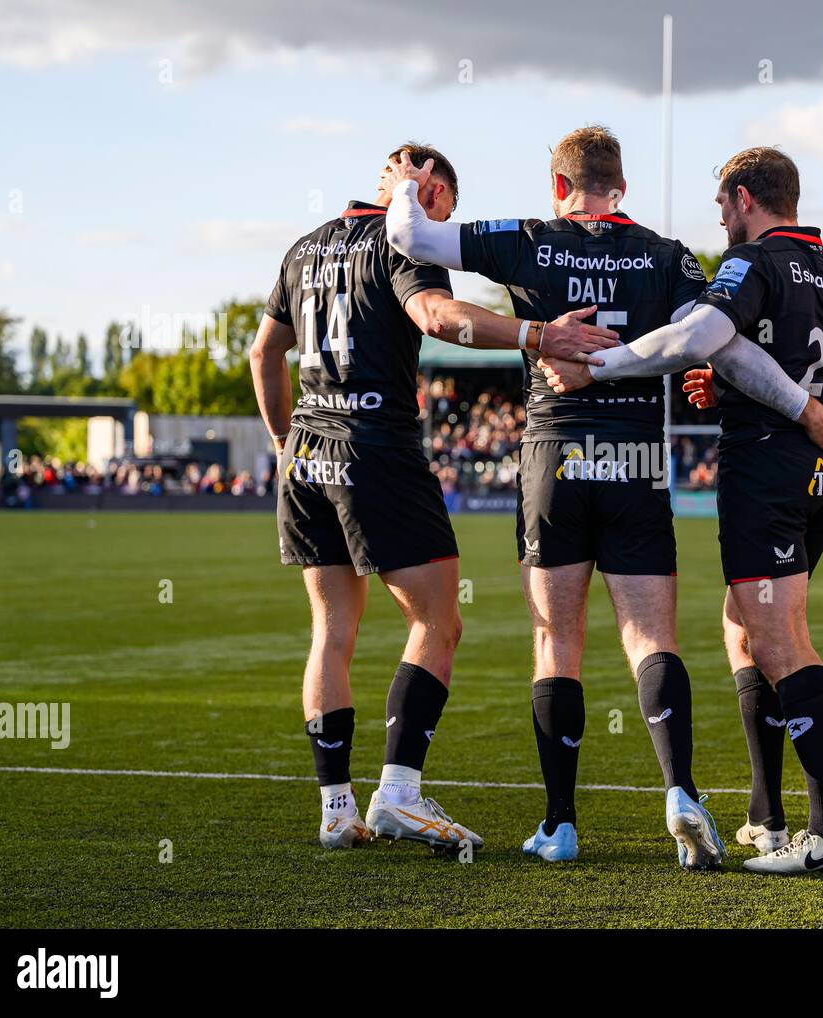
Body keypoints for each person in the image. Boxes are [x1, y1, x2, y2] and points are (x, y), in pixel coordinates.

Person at [385, 125, 823, 868]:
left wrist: (408, 180)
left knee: (556, 642)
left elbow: (413, 237)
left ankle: (560, 825)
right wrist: (770, 396)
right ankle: (682, 795)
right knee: (650, 639)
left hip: (554, 455)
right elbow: (716, 336)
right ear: (620, 186)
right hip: (635, 457)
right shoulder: (668, 255)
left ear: (559, 185)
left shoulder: (528, 238)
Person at [249, 141, 617, 853]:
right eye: (445, 203)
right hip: (375, 449)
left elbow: (264, 352)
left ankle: (335, 809)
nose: (442, 219)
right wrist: (541, 335)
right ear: (434, 192)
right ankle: (399, 794)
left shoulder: (303, 248)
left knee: (331, 631)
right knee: (439, 621)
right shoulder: (402, 236)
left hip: (309, 456)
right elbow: (439, 319)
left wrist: (281, 442)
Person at [542, 146, 823, 874]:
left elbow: (696, 337)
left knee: (779, 637)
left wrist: (599, 361)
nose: (719, 219)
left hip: (768, 467)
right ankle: (766, 815)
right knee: (745, 624)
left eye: (722, 205)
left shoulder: (752, 263)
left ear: (745, 198)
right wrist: (730, 392)